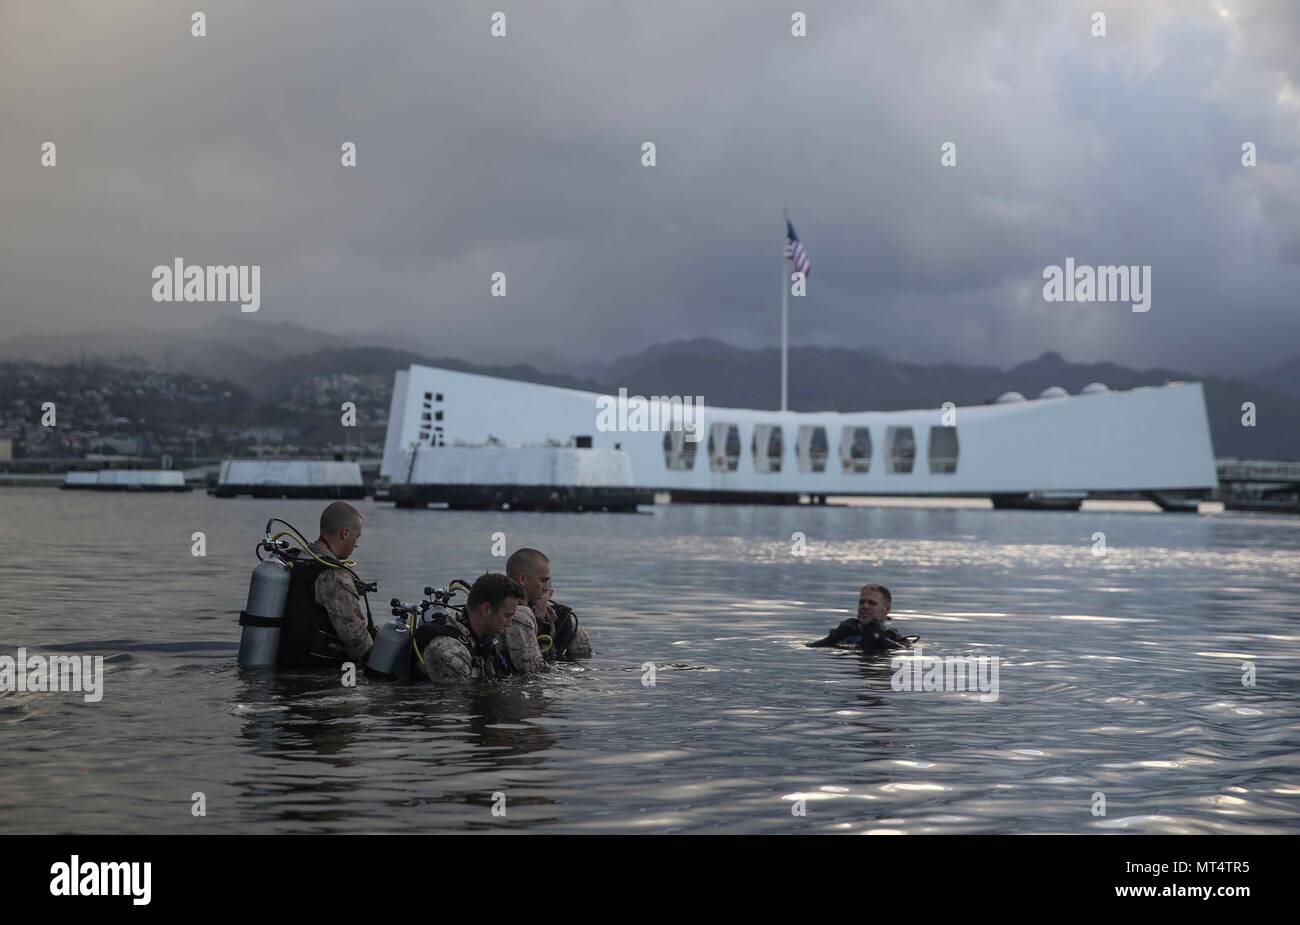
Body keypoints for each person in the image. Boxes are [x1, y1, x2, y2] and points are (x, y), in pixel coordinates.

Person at [278, 501, 375, 668]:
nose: (356, 545)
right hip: (317, 675)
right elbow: (357, 641)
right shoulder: (333, 573)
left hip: (287, 663)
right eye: (356, 537)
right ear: (345, 533)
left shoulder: (298, 559)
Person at [418, 573, 523, 683]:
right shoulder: (448, 652)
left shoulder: (481, 638)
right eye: (507, 616)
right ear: (487, 609)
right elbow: (463, 697)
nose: (509, 623)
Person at [505, 547, 592, 661]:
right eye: (542, 580)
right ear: (522, 579)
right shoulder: (520, 616)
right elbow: (531, 668)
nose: (545, 587)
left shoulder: (563, 622)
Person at [805, 583, 916, 652]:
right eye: (862, 602)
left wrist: (880, 638)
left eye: (872, 603)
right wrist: (832, 638)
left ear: (886, 609)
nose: (865, 606)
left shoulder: (895, 639)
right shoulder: (846, 634)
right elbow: (809, 647)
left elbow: (906, 651)